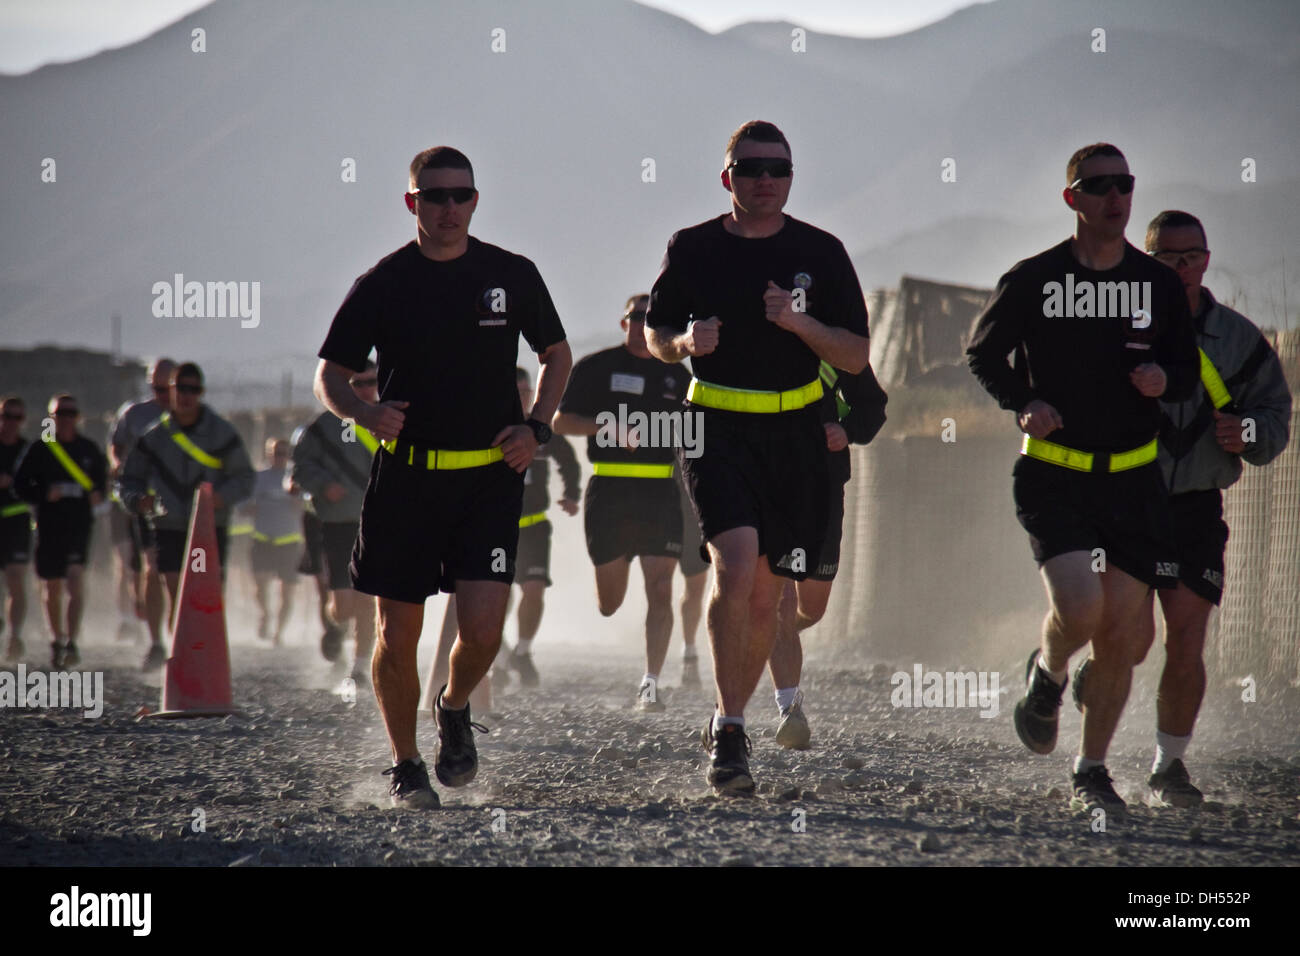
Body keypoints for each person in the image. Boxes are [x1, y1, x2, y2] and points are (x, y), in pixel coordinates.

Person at [313, 145, 571, 809]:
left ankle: (452, 708)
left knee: (484, 631)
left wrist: (536, 426)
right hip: (406, 480)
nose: (448, 207)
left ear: (476, 200)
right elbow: (330, 374)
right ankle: (404, 766)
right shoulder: (385, 281)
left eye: (460, 194)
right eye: (434, 196)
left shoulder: (510, 274)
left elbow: (556, 354)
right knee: (397, 636)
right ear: (412, 203)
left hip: (488, 480)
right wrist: (366, 411)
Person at [966, 143, 1199, 814]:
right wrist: (1024, 402)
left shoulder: (1156, 286)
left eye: (1124, 184)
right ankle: (1048, 673)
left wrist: (1165, 380)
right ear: (1072, 198)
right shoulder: (1035, 279)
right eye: (1098, 186)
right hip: (1055, 475)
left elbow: (1184, 368)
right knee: (1082, 609)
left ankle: (1090, 770)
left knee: (1123, 637)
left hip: (1131, 481)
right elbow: (983, 353)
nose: (1114, 197)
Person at [645, 121, 871, 792]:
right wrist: (685, 342)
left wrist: (799, 324)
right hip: (714, 422)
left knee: (769, 594)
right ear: (728, 179)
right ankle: (735, 730)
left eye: (776, 168)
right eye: (749, 168)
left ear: (791, 177)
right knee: (735, 566)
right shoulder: (694, 248)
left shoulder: (822, 253)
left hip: (795, 431)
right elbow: (655, 335)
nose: (763, 178)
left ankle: (726, 720)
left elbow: (857, 355)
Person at [1070, 210, 1292, 807]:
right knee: (1129, 642)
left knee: (1187, 641)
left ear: (1207, 259)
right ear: (1146, 261)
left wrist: (1244, 429)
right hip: (1125, 501)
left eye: (1192, 254)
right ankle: (1091, 756)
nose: (1183, 266)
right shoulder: (1115, 325)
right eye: (1168, 257)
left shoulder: (1239, 339)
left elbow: (1273, 415)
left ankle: (1168, 768)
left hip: (1196, 505)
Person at [555, 294, 690, 710]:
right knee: (610, 604)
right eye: (634, 318)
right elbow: (560, 422)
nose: (640, 325)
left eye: (649, 319)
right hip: (609, 492)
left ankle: (650, 683)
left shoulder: (677, 374)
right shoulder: (596, 367)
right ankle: (615, 603)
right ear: (623, 323)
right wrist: (607, 427)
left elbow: (695, 432)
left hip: (660, 493)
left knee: (662, 588)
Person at [768, 360, 887, 749]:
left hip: (822, 485)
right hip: (766, 480)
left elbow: (872, 405)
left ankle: (763, 635)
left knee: (811, 609)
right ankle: (790, 710)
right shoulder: (754, 337)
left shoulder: (834, 346)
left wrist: (846, 429)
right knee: (777, 604)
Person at [117, 361, 255, 668]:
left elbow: (245, 477)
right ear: (171, 391)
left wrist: (222, 497)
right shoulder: (153, 436)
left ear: (201, 393)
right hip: (168, 524)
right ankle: (181, 658)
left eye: (193, 390)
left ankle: (200, 655)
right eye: (181, 389)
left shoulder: (221, 433)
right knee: (176, 589)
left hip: (209, 527)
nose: (186, 396)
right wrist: (137, 499)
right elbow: (128, 480)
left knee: (205, 595)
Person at [289, 362, 381, 682]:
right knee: (343, 605)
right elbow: (299, 469)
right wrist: (324, 484)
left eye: (371, 382)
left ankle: (359, 666)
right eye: (358, 383)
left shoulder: (392, 421)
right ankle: (336, 626)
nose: (366, 389)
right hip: (337, 524)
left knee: (367, 598)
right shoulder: (322, 428)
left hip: (377, 524)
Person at [12, 394, 108, 668]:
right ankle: (56, 639)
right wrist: (44, 493)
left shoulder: (89, 450)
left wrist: (97, 495)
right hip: (48, 525)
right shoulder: (41, 450)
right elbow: (20, 485)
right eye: (59, 413)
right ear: (51, 418)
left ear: (78, 417)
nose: (65, 418)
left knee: (76, 581)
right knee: (51, 586)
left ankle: (73, 641)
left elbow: (102, 485)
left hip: (78, 526)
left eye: (70, 413)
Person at [108, 358, 177, 653]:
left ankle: (177, 637)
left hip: (179, 503)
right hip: (144, 502)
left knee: (174, 575)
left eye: (166, 388)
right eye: (156, 388)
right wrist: (119, 467)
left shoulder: (189, 415)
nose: (161, 394)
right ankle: (155, 640)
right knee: (146, 567)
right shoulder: (134, 415)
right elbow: (116, 447)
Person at [246, 438, 304, 646]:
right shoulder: (258, 478)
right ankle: (265, 614)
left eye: (284, 453)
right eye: (276, 452)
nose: (280, 456)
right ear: (268, 454)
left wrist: (298, 500)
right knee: (261, 585)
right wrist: (251, 508)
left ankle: (279, 633)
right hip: (263, 538)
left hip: (289, 540)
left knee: (287, 591)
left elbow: (306, 506)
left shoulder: (296, 476)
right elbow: (243, 506)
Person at [0, 396, 32, 662]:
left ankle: (15, 634)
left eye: (16, 418)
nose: (10, 423)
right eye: (6, 416)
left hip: (18, 522)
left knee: (15, 580)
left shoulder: (28, 451)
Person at [674, 471, 709, 689]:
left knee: (695, 587)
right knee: (659, 584)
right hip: (662, 499)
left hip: (695, 504)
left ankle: (689, 651)